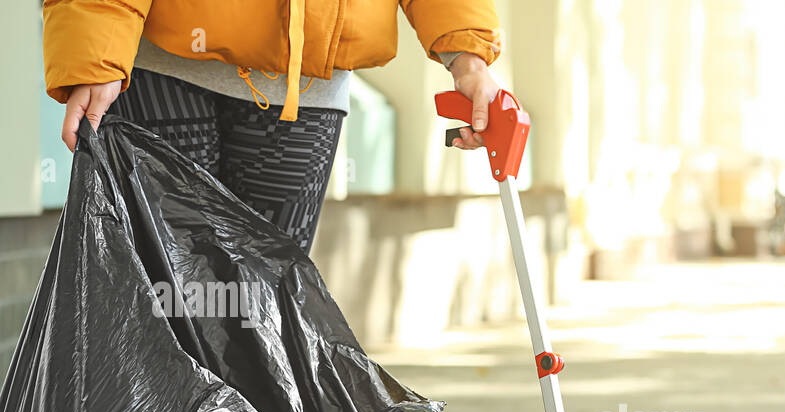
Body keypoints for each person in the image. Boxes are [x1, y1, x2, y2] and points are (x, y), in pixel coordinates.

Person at [43, 0, 503, 253]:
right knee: (163, 295)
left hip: (307, 82)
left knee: (265, 306)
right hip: (162, 65)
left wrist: (467, 57)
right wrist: (95, 49)